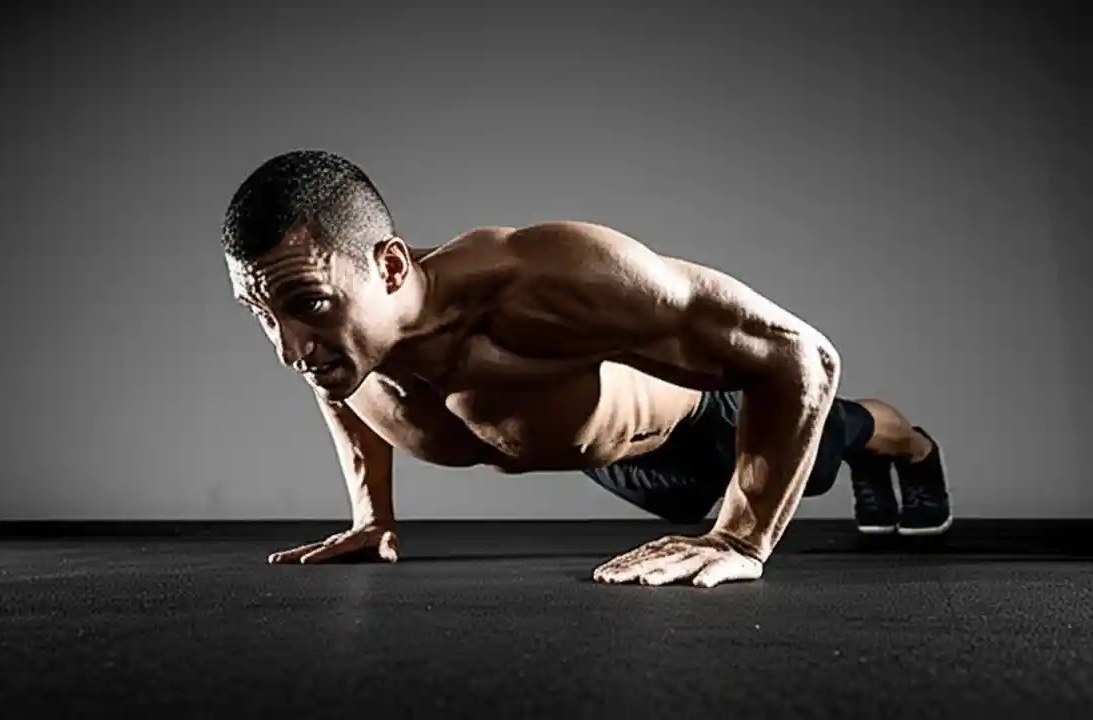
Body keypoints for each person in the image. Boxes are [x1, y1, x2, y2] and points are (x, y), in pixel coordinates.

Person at [220, 149, 952, 589]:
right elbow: (341, 392)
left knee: (834, 440)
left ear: (388, 265)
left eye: (308, 304)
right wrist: (373, 519)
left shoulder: (540, 280)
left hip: (713, 427)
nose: (289, 348)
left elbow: (800, 356)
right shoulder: (347, 348)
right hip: (606, 457)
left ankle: (906, 447)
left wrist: (738, 540)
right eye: (263, 316)